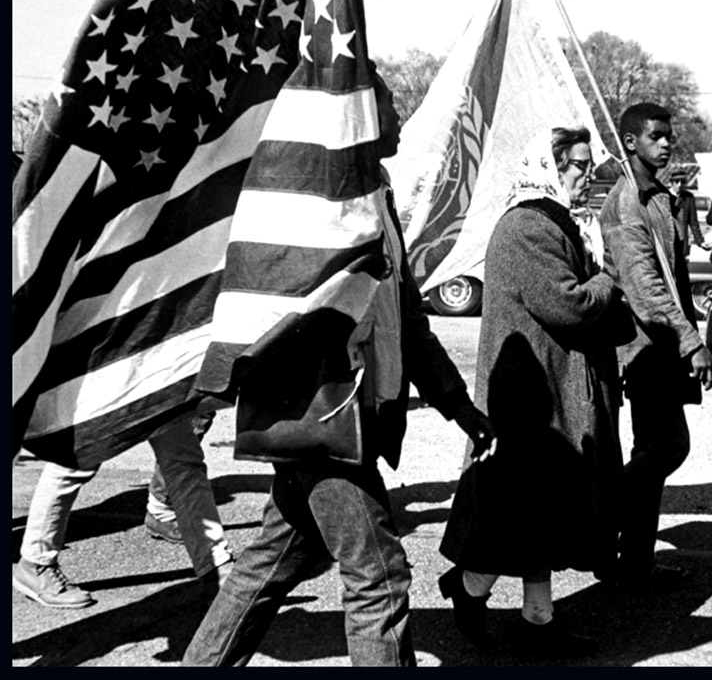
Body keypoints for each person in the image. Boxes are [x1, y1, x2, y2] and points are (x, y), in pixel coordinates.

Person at [181, 66, 494, 668]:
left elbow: (407, 319)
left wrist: (458, 406)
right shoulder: (317, 207)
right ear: (356, 123)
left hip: (350, 422)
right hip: (319, 418)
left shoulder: (378, 196)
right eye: (388, 108)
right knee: (380, 576)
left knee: (271, 562)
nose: (401, 118)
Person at [438, 127, 631, 658]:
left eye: (590, 165)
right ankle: (472, 587)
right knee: (518, 513)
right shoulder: (528, 226)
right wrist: (609, 279)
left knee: (536, 513)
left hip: (549, 389)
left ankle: (535, 615)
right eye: (576, 164)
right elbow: (567, 304)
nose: (586, 174)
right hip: (527, 400)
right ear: (549, 166)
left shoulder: (555, 222)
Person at [598, 102, 712, 591]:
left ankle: (634, 565)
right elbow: (645, 289)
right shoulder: (627, 202)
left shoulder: (657, 196)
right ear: (630, 142)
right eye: (656, 137)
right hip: (645, 347)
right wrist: (691, 342)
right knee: (669, 446)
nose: (667, 143)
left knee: (652, 451)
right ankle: (598, 512)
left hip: (663, 342)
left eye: (670, 136)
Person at [13, 411, 233, 609]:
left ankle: (217, 569)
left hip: (160, 378)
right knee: (78, 459)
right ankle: (36, 561)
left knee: (184, 462)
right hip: (118, 378)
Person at [667, 169, 705, 252]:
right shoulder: (665, 196)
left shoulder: (688, 197)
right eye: (677, 182)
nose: (680, 185)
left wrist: (700, 241)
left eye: (683, 182)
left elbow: (693, 222)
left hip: (682, 241)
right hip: (667, 241)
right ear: (672, 183)